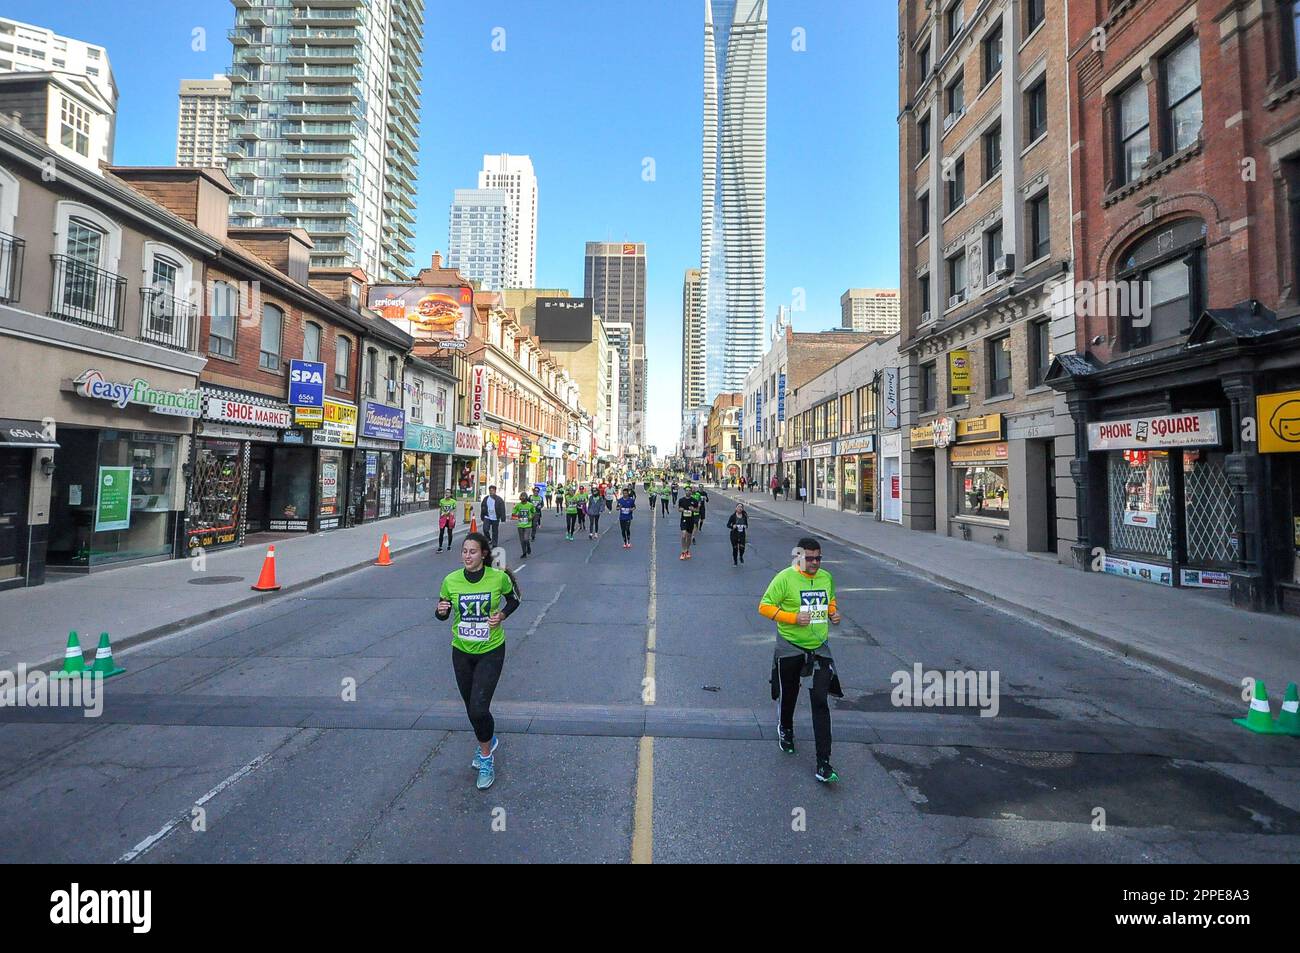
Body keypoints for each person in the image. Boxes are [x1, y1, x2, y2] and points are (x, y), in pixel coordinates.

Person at [435, 532, 521, 791]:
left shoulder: (498, 578)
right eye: (464, 551)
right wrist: (441, 611)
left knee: (479, 709)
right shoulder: (451, 581)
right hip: (461, 650)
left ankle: (485, 758)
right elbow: (443, 611)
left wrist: (502, 615)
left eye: (472, 552)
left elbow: (514, 599)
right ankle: (488, 739)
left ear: (483, 554)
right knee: (470, 707)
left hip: (491, 650)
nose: (467, 556)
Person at [759, 537, 843, 783]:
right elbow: (764, 607)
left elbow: (830, 600)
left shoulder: (826, 577)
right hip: (790, 646)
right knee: (790, 694)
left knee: (820, 701)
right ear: (799, 557)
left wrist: (833, 613)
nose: (815, 562)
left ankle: (823, 763)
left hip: (819, 648)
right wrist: (792, 618)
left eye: (819, 558)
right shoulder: (785, 578)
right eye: (810, 558)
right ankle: (785, 727)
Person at [480, 485, 506, 549]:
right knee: (485, 529)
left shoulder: (499, 499)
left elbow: (502, 509)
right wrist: (482, 515)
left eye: (492, 490)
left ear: (495, 491)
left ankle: (494, 543)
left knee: (495, 531)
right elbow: (483, 507)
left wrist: (503, 518)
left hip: (495, 517)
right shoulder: (486, 498)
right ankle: (489, 539)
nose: (491, 492)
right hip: (487, 516)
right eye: (490, 490)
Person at [511, 492, 536, 558]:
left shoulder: (530, 505)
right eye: (521, 497)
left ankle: (528, 546)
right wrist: (517, 515)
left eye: (524, 497)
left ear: (526, 498)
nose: (522, 498)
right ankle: (524, 553)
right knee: (522, 540)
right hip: (520, 525)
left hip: (528, 525)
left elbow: (534, 512)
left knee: (526, 539)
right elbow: (513, 514)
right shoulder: (518, 505)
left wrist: (531, 517)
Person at [677, 490, 698, 560]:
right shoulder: (681, 500)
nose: (688, 492)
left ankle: (687, 550)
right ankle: (683, 552)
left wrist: (693, 509)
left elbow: (697, 510)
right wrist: (682, 510)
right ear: (685, 492)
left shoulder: (694, 500)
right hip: (684, 519)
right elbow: (679, 509)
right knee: (683, 534)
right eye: (686, 491)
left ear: (691, 492)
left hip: (691, 520)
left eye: (689, 491)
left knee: (689, 537)